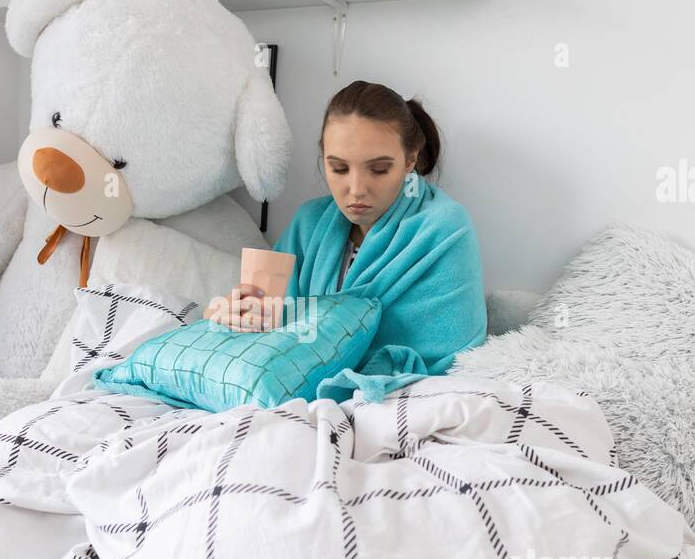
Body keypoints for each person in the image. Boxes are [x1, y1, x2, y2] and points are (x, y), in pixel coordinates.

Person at [205, 80, 487, 403]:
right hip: (291, 396)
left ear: (411, 159)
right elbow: (267, 332)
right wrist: (232, 314)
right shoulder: (308, 225)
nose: (356, 189)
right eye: (338, 168)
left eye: (379, 169)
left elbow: (451, 364)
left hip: (398, 404)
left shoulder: (445, 231)